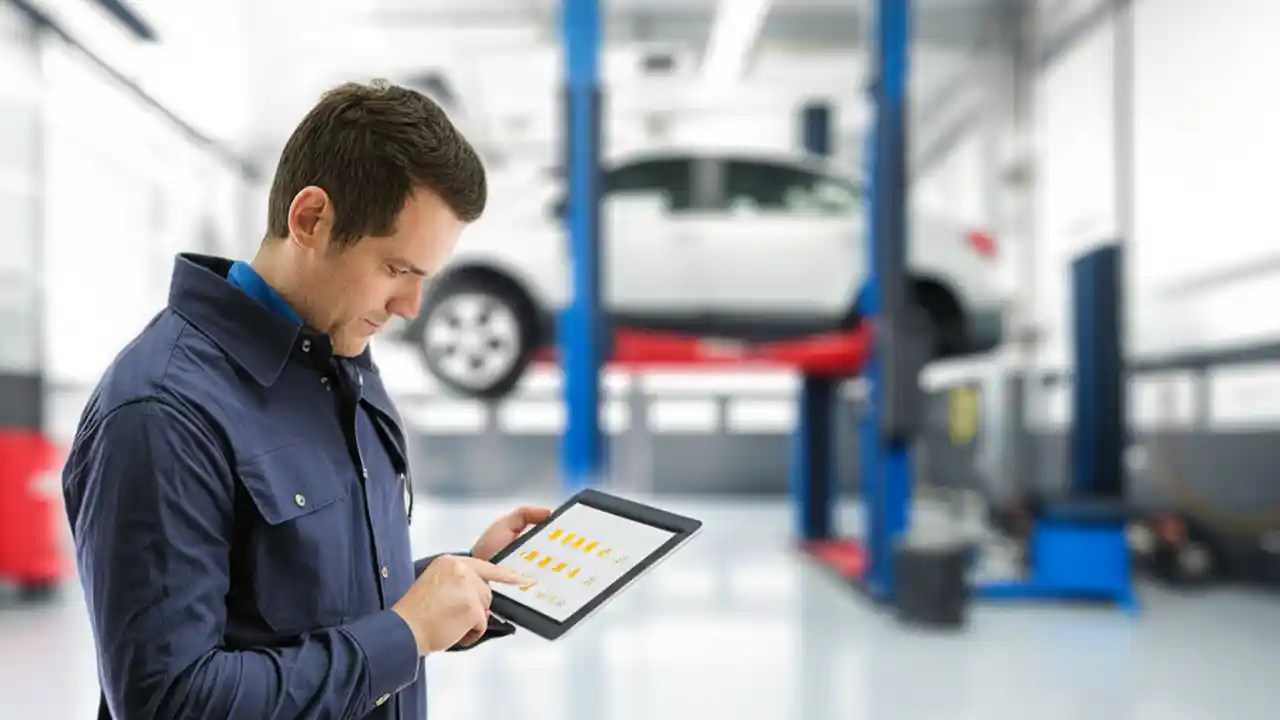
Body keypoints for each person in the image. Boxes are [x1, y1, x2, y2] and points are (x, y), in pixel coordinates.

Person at [61, 80, 550, 720]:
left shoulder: (339, 353)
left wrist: (452, 584)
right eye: (396, 270)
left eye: (424, 279)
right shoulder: (162, 411)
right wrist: (405, 634)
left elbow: (305, 605)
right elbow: (171, 701)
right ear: (311, 220)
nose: (410, 308)